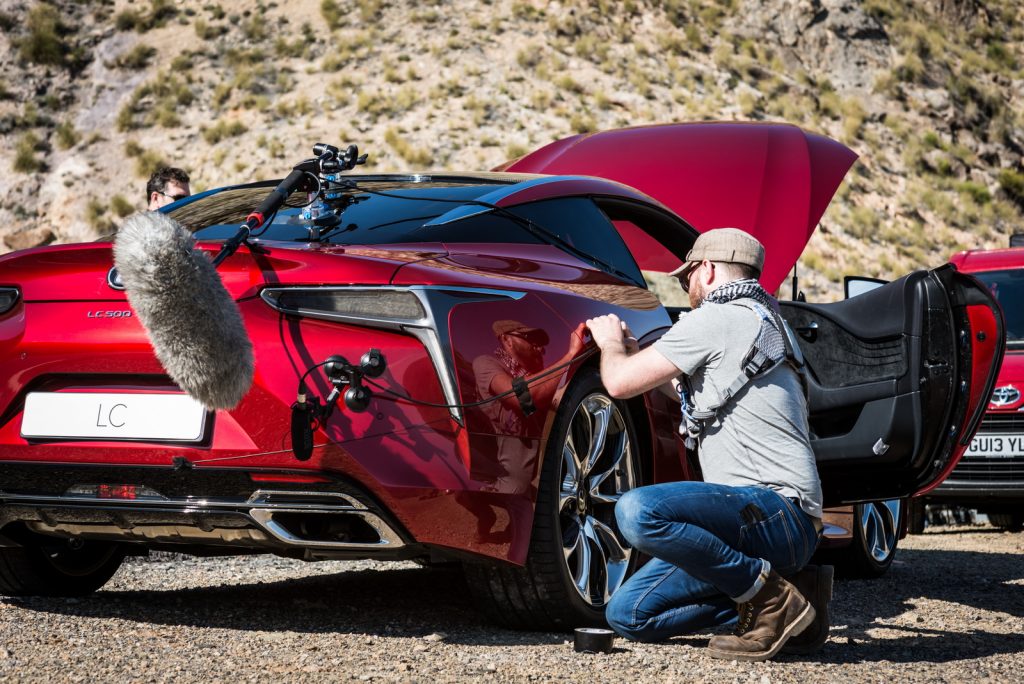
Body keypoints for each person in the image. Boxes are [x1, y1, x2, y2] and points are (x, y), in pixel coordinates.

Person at [584, 227, 830, 662]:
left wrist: (608, 345)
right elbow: (686, 390)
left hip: (772, 514)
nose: (687, 288)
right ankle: (792, 597)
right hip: (781, 528)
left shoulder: (718, 318)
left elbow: (619, 383)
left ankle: (769, 597)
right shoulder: (767, 322)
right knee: (629, 616)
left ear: (709, 270)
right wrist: (635, 354)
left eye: (687, 278)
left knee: (637, 511)